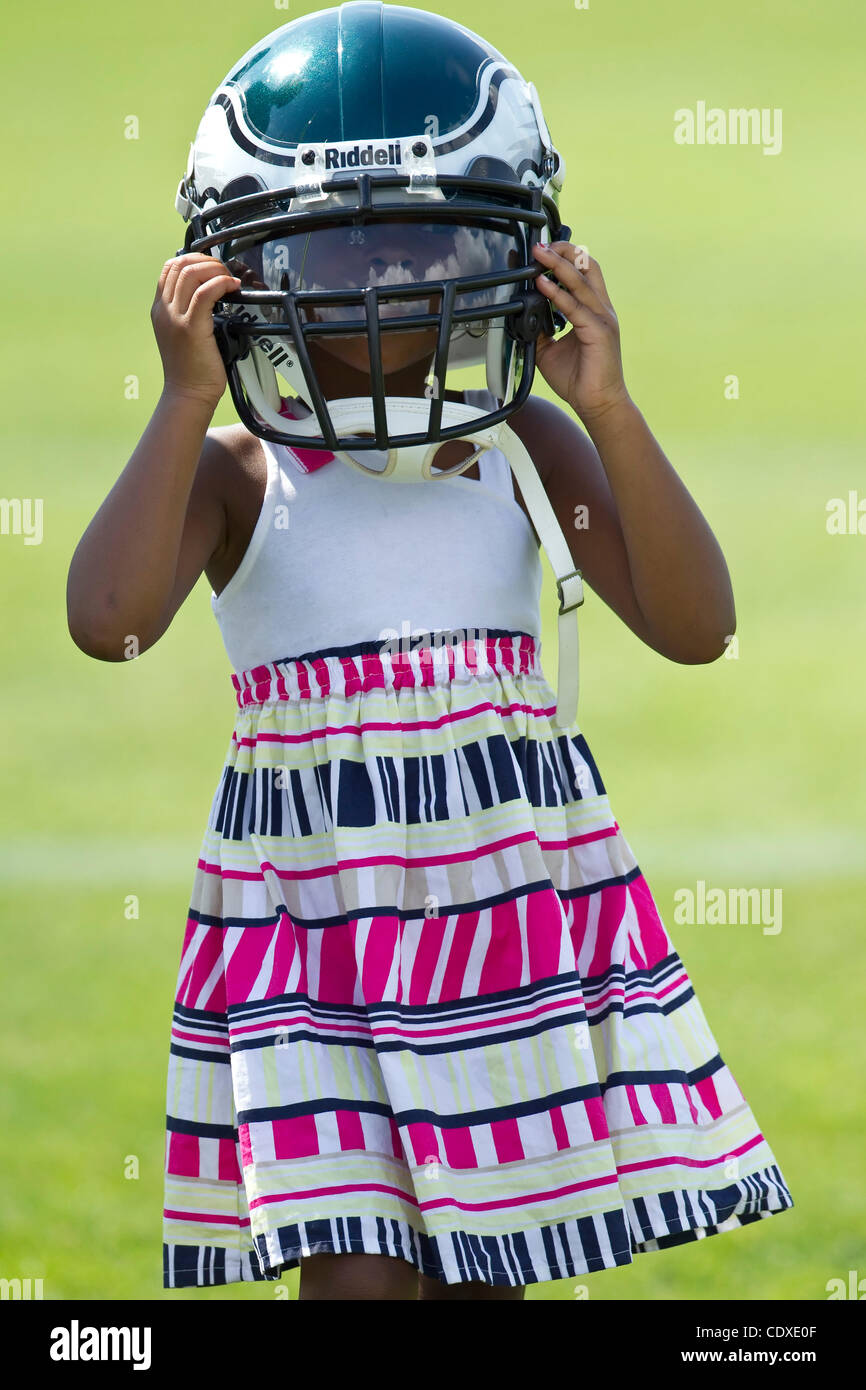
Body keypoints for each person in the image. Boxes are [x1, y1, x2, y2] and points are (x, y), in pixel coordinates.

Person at [66, 3, 793, 1301]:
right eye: (336, 258)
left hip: (496, 905)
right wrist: (183, 400)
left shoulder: (524, 443)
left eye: (418, 244)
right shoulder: (240, 468)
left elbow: (697, 629)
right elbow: (107, 622)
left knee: (483, 1270)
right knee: (353, 1278)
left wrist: (606, 407)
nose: (386, 284)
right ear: (242, 272)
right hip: (306, 918)